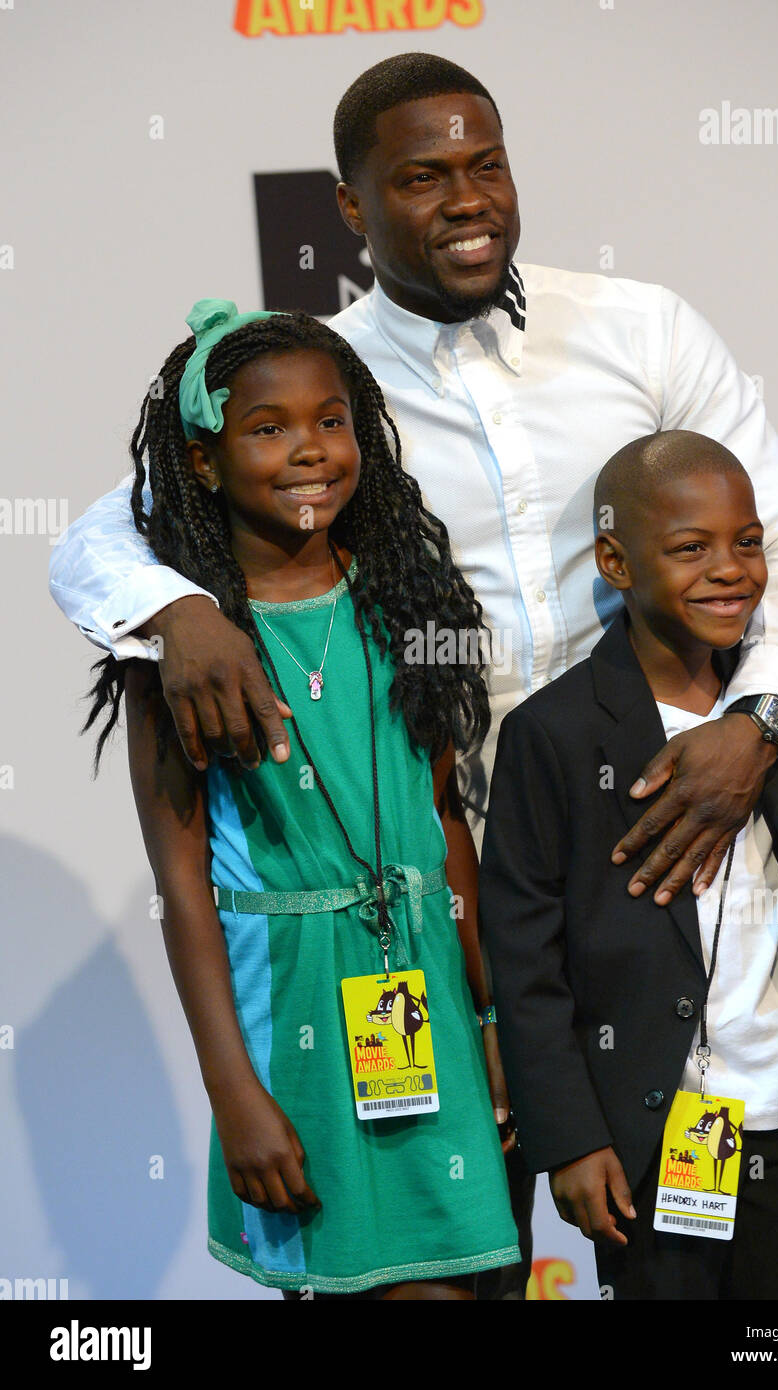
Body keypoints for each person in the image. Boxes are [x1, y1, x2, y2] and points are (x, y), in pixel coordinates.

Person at [50, 53, 778, 1298]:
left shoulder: (641, 328)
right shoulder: (325, 384)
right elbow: (109, 529)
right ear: (353, 209)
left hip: (649, 859)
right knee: (458, 1256)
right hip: (458, 900)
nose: (466, 199)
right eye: (422, 177)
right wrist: (176, 606)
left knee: (704, 1265)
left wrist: (758, 718)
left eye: (485, 165)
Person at [84, 298, 520, 1299]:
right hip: (294, 1007)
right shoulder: (183, 655)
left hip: (427, 1002)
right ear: (202, 460)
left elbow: (445, 816)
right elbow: (183, 886)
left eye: (331, 420)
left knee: (467, 1275)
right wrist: (234, 1095)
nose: (310, 449)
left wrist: (490, 1021)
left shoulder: (405, 599)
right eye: (267, 427)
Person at [478, 429, 778, 1300]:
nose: (731, 569)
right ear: (617, 562)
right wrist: (572, 1137)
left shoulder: (769, 715)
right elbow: (525, 957)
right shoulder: (553, 734)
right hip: (652, 1131)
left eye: (747, 542)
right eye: (691, 547)